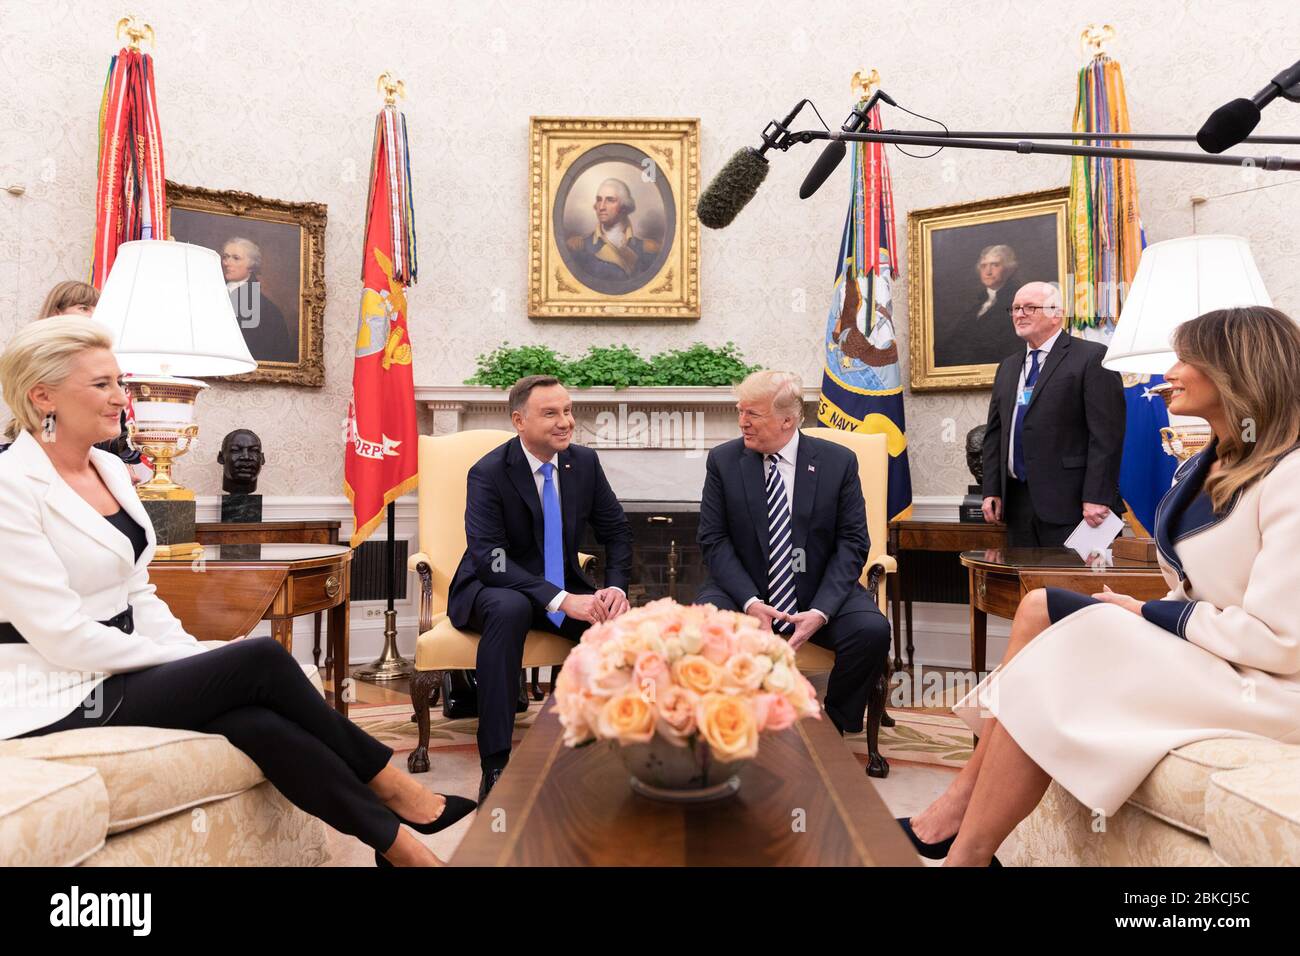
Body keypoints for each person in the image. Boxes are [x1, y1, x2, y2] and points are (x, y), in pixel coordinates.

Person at [0, 317, 474, 867]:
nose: (121, 400)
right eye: (101, 385)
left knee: (257, 724)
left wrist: (191, 655)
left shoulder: (109, 468)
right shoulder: (11, 488)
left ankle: (403, 851)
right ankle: (395, 787)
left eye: (120, 383)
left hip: (116, 665)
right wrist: (189, 659)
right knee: (260, 659)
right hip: (56, 690)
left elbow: (139, 591)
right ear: (43, 395)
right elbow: (60, 637)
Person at [900, 306, 1300, 866]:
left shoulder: (1291, 476)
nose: (1170, 373)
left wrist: (1148, 615)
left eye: (1185, 359)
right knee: (1041, 606)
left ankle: (964, 848)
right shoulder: (1201, 467)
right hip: (1218, 654)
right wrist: (1148, 612)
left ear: (1235, 371)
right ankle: (960, 813)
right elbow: (1194, 589)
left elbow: (1282, 642)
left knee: (1083, 638)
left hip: (1268, 684)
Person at [447, 374, 634, 800]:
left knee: (621, 631)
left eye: (568, 411)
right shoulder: (489, 472)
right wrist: (564, 599)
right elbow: (489, 558)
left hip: (560, 586)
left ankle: (621, 752)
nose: (565, 421)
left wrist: (615, 589)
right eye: (550, 413)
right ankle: (495, 765)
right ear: (519, 420)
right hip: (491, 586)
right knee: (511, 608)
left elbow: (617, 531)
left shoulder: (583, 464)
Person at [696, 370, 891, 744]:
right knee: (704, 627)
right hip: (744, 589)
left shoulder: (838, 462)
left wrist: (820, 611)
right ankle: (730, 723)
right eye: (740, 411)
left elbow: (853, 542)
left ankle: (831, 725)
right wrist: (751, 603)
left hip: (819, 588)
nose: (742, 422)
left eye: (752, 414)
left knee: (871, 631)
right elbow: (713, 539)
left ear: (787, 419)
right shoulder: (723, 461)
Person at [981, 281, 1126, 546]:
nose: (1019, 314)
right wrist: (992, 489)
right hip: (1017, 505)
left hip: (1075, 505)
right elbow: (995, 434)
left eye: (1029, 308)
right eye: (1014, 308)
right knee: (1027, 585)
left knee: (1073, 586)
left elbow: (1106, 436)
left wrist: (1097, 495)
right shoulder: (1008, 366)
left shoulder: (1091, 357)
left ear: (1056, 314)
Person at [933, 245, 1025, 367]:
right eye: (983, 266)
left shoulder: (1019, 301)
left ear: (1010, 269)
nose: (988, 271)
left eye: (995, 265)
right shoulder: (976, 305)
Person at [565, 177, 660, 285]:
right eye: (599, 199)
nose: (601, 207)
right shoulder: (578, 247)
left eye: (610, 200)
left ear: (624, 206)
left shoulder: (648, 249)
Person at [222, 237, 296, 363]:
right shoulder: (213, 290)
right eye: (226, 257)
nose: (227, 263)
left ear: (251, 266)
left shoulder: (267, 309)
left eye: (236, 258)